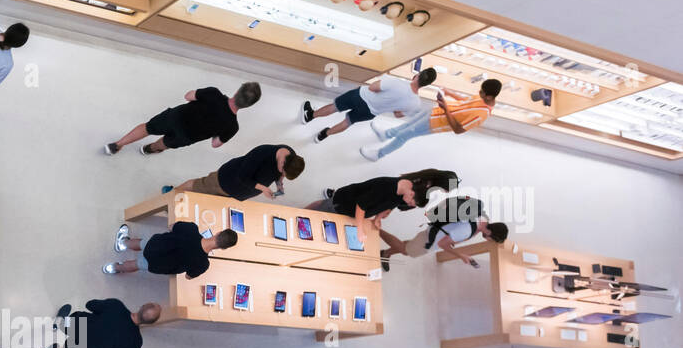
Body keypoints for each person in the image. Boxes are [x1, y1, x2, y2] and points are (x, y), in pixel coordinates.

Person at [104, 82, 260, 156]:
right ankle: (148, 149)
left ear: (237, 91)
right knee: (164, 144)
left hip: (176, 116)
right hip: (187, 136)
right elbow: (215, 144)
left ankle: (117, 145)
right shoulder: (232, 127)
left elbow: (188, 96)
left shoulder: (213, 93)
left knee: (148, 128)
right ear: (248, 106)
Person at [360, 80, 501, 160]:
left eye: (482, 92)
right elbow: (465, 101)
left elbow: (458, 130)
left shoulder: (481, 114)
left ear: (489, 97)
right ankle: (386, 134)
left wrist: (446, 109)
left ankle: (378, 154)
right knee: (407, 124)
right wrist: (449, 93)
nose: (479, 93)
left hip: (435, 123)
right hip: (435, 111)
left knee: (404, 135)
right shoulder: (482, 97)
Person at [300, 68, 436, 143]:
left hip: (360, 96)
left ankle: (310, 115)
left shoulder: (396, 82)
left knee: (335, 107)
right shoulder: (415, 103)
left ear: (417, 75)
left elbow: (372, 87)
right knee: (347, 122)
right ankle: (323, 135)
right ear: (426, 85)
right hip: (370, 112)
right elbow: (398, 114)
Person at [379, 195, 509, 270]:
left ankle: (386, 253)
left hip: (434, 231)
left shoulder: (482, 218)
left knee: (409, 245)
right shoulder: (467, 230)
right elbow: (442, 244)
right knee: (405, 250)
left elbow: (460, 229)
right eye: (492, 239)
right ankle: (376, 231)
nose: (489, 241)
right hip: (431, 240)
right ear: (490, 233)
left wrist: (455, 238)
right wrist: (461, 255)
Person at [305, 171, 446, 238]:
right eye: (411, 202)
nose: (408, 204)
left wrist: (378, 218)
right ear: (412, 192)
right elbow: (361, 206)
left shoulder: (403, 194)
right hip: (344, 201)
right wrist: (359, 230)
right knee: (324, 206)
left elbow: (390, 205)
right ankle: (301, 212)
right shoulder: (385, 186)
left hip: (353, 211)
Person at [36, 300, 160, 348]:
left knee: (70, 322)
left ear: (141, 307)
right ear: (150, 323)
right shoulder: (135, 342)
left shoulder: (116, 306)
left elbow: (89, 304)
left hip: (80, 324)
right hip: (86, 345)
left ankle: (59, 323)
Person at [169, 144, 304, 202]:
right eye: (283, 172)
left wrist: (279, 184)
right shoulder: (262, 153)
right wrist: (264, 189)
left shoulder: (290, 155)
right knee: (198, 185)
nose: (282, 174)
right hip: (226, 180)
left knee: (205, 199)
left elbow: (280, 175)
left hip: (237, 192)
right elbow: (243, 177)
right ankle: (170, 195)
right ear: (283, 162)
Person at [105, 220, 236, 277]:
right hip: (159, 265)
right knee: (137, 264)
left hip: (156, 245)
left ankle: (123, 244)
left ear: (218, 233)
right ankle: (113, 268)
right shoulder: (203, 265)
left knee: (142, 243)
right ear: (223, 248)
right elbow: (188, 277)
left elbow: (171, 226)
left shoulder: (191, 229)